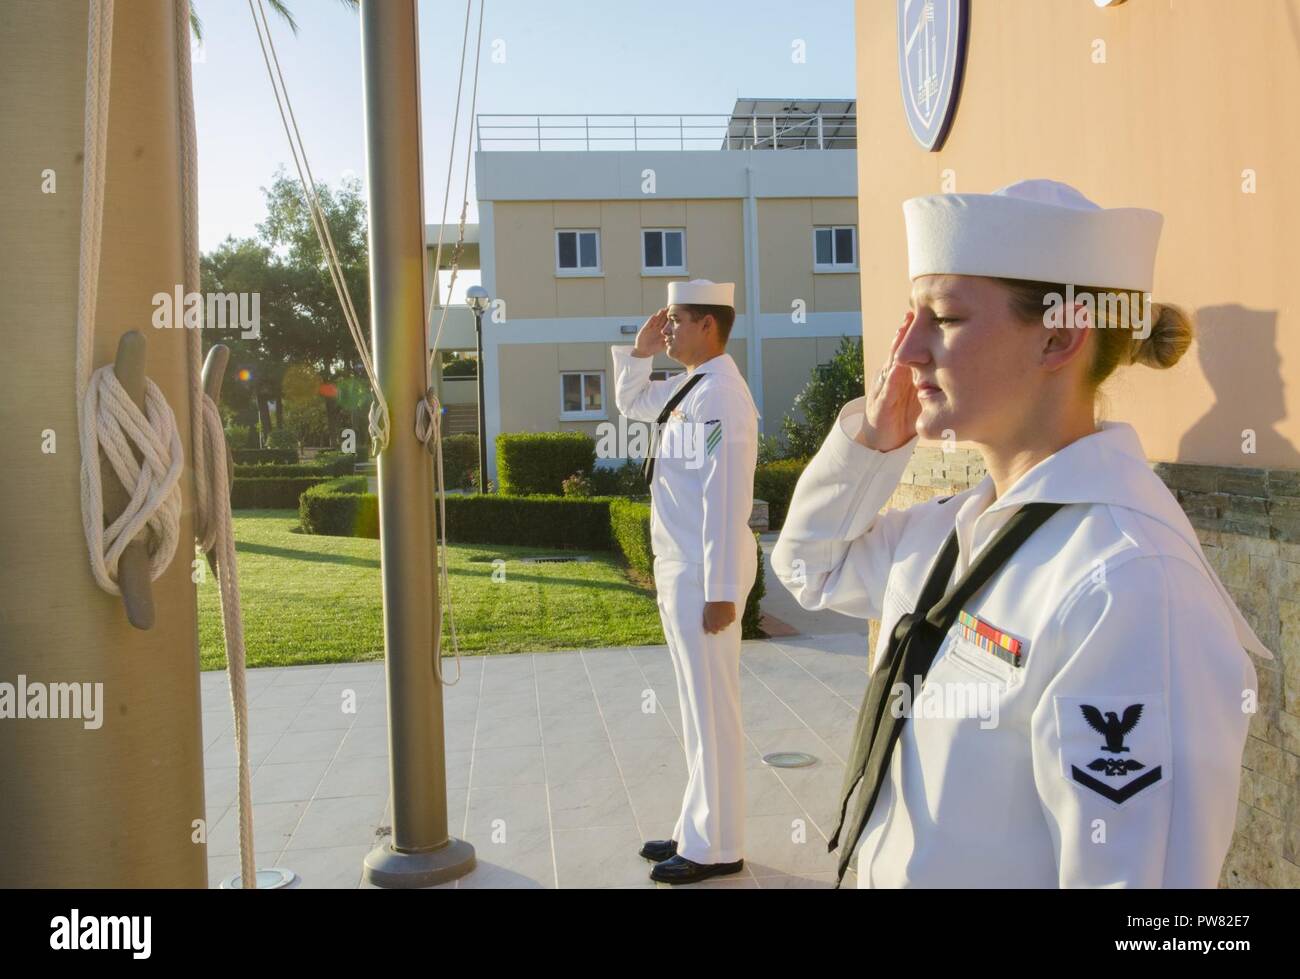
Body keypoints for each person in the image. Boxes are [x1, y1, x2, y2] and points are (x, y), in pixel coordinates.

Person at [772, 179, 1272, 888]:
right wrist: (872, 443)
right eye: (910, 317)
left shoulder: (1129, 583)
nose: (906, 350)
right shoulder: (954, 529)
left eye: (942, 316)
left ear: (1060, 336)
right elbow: (809, 568)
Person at [611, 279, 760, 884]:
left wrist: (722, 591)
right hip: (683, 568)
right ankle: (697, 827)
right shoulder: (694, 386)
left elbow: (726, 497)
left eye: (675, 320)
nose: (666, 328)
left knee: (712, 712)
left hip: (705, 572)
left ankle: (717, 847)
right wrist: (638, 352)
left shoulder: (720, 394)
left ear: (708, 326)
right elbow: (631, 403)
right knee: (696, 710)